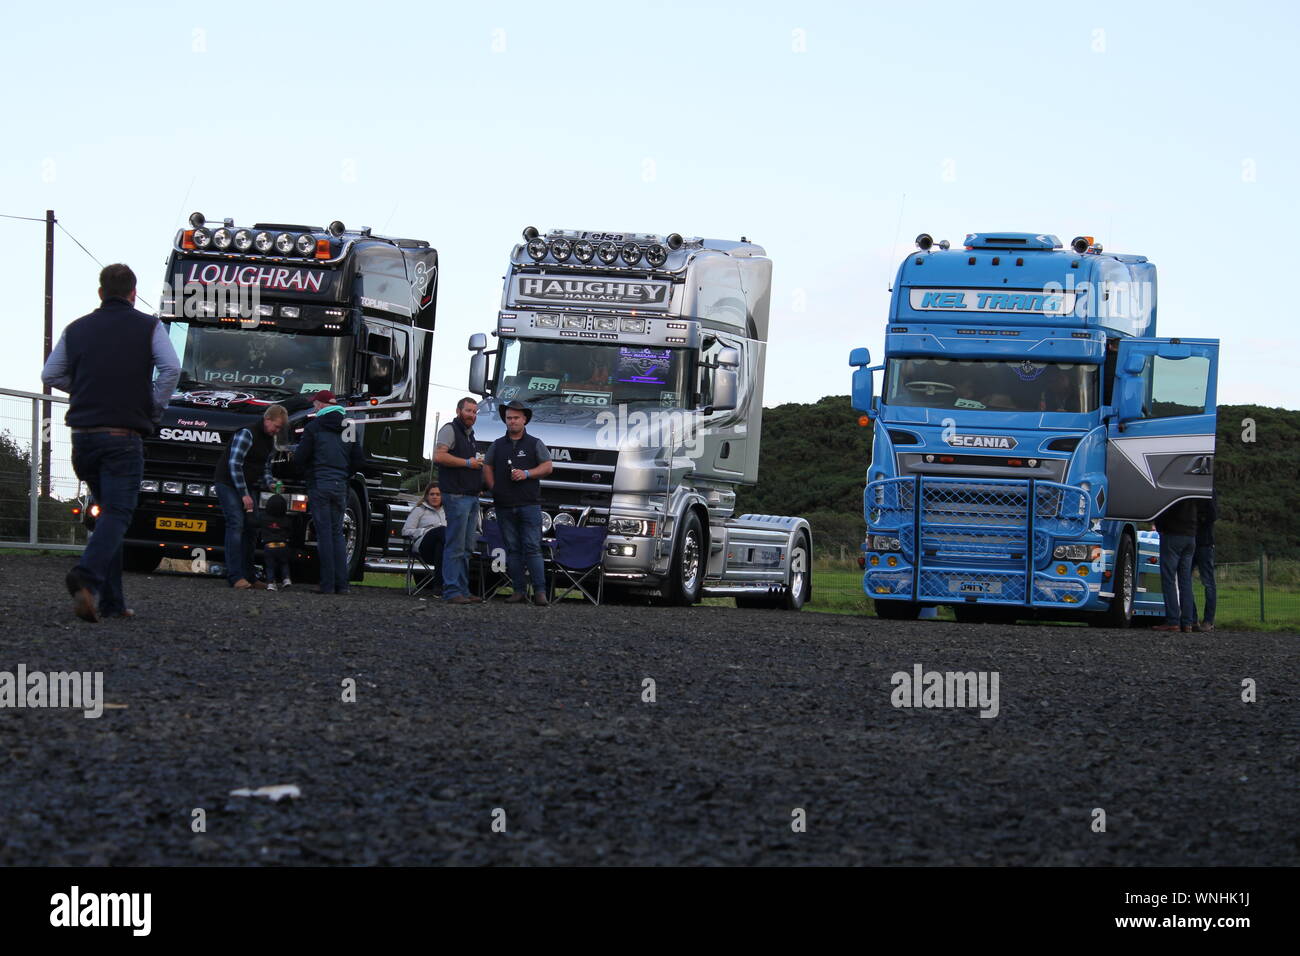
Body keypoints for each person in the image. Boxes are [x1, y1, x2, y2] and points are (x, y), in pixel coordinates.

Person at [41, 263, 180, 622]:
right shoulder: (149, 327)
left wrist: (89, 388)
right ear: (133, 293)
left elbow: (50, 373)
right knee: (118, 513)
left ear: (100, 292)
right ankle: (84, 577)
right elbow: (171, 369)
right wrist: (153, 406)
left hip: (83, 439)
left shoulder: (76, 329)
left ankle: (112, 603)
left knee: (107, 514)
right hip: (123, 437)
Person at [483, 399, 554, 605]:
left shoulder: (535, 443)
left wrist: (527, 473)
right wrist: (494, 487)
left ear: (524, 420)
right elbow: (486, 466)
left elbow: (548, 467)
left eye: (515, 418)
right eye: (508, 418)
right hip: (504, 504)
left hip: (529, 504)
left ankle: (540, 592)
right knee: (513, 549)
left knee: (532, 547)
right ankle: (518, 591)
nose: (511, 421)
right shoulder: (497, 444)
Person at [294, 390, 363, 594]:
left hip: (320, 484)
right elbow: (358, 460)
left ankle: (326, 584)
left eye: (315, 404)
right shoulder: (349, 425)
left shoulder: (314, 426)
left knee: (324, 535)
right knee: (337, 535)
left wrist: (309, 474)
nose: (314, 407)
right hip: (340, 485)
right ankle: (342, 585)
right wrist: (343, 475)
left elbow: (300, 458)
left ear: (323, 404)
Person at [214, 404, 288, 589]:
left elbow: (264, 467)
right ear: (267, 419)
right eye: (276, 426)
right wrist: (244, 495)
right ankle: (235, 576)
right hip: (228, 483)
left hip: (246, 485)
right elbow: (234, 465)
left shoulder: (270, 440)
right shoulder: (247, 434)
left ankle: (250, 575)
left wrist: (271, 483)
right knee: (236, 523)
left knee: (252, 527)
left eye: (280, 428)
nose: (276, 431)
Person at [433, 397, 485, 605]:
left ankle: (462, 589)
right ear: (458, 411)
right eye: (469, 411)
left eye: (474, 412)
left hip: (471, 496)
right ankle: (452, 590)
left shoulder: (470, 435)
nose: (472, 415)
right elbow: (438, 456)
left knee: (466, 547)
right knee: (455, 545)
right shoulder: (449, 429)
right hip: (456, 495)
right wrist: (467, 463)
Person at [1152, 498, 1199, 632]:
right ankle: (1188, 622)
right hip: (1190, 535)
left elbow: (1162, 509)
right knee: (1186, 580)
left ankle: (1173, 620)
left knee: (1169, 579)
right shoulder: (1194, 489)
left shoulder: (1172, 489)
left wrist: (1160, 526)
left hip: (1172, 534)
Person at [402, 483, 446, 593]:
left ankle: (438, 586)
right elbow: (405, 531)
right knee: (441, 530)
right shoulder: (419, 511)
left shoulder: (448, 512)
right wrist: (424, 531)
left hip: (442, 550)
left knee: (441, 545)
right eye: (432, 494)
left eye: (438, 494)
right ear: (426, 496)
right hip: (424, 547)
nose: (435, 497)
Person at [1192, 489, 1217, 632]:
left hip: (1201, 541)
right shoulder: (1208, 490)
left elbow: (1212, 514)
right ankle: (1205, 620)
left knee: (1206, 582)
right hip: (1203, 541)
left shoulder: (1205, 491)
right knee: (1207, 582)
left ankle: (1203, 619)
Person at [258, 494, 292, 591]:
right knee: (284, 563)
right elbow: (290, 531)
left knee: (270, 566)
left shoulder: (263, 518)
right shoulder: (286, 520)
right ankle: (286, 578)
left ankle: (271, 583)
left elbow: (254, 523)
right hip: (283, 545)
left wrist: (249, 511)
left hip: (269, 545)